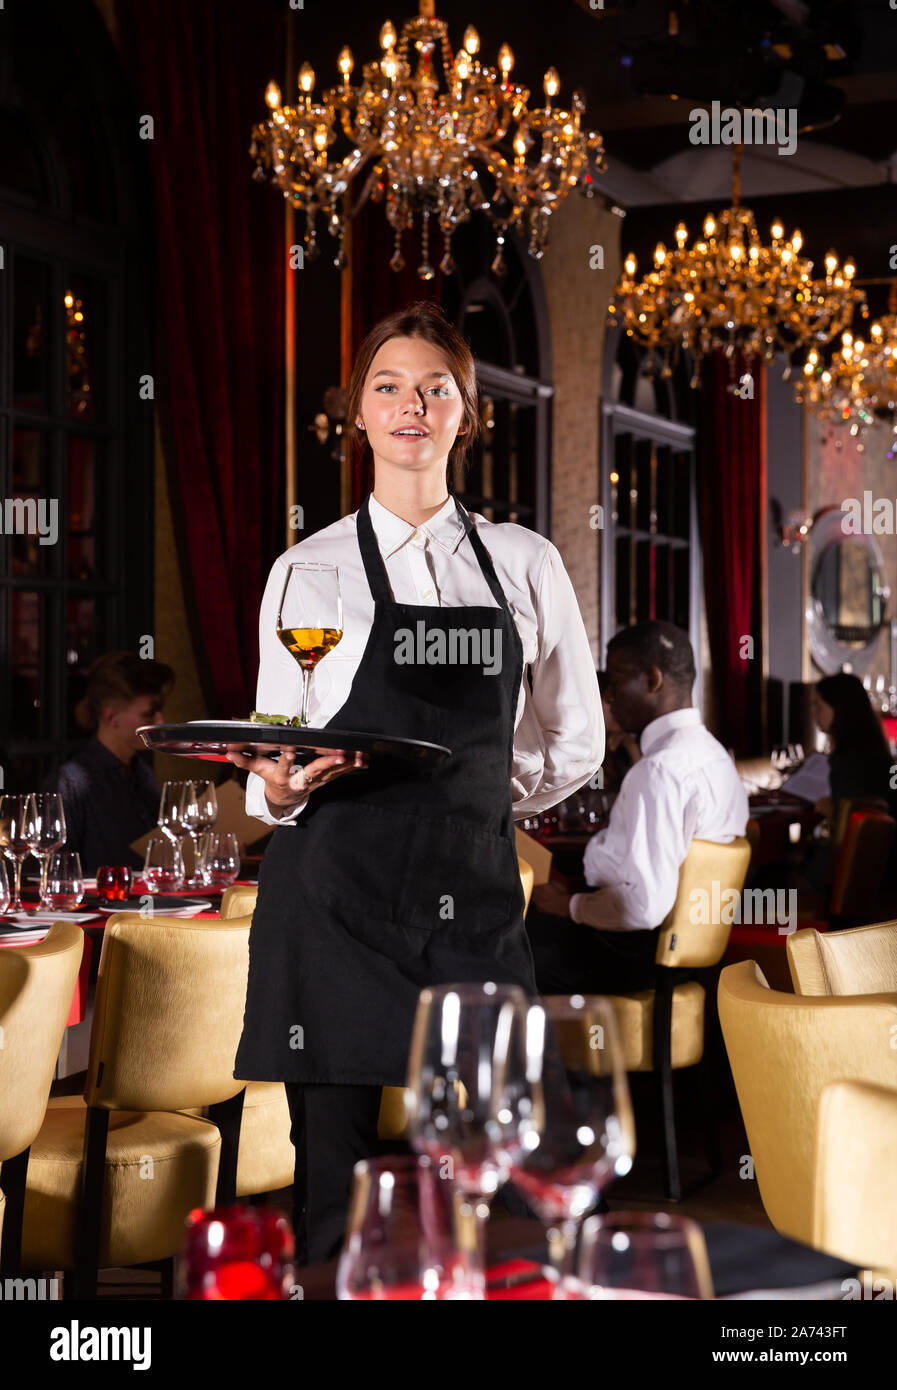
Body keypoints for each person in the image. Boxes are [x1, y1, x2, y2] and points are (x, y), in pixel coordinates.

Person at [227, 301, 604, 1264]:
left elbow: (576, 740)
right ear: (355, 412)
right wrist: (281, 786)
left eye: (437, 388)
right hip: (329, 899)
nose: (412, 404)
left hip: (470, 900)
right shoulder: (304, 573)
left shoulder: (523, 560)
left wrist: (472, 794)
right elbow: (274, 757)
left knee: (485, 1169)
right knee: (332, 1193)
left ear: (465, 414)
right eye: (388, 386)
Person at [527, 620, 748, 994]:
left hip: (634, 959)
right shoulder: (713, 756)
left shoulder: (660, 770)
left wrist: (570, 907)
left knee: (500, 941)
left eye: (615, 680)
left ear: (651, 680)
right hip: (680, 959)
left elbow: (643, 907)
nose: (608, 696)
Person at [42, 651, 174, 875]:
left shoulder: (143, 774)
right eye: (148, 714)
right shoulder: (71, 783)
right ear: (111, 717)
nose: (161, 721)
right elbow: (54, 873)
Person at [801, 673, 897, 894]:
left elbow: (848, 816)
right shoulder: (875, 751)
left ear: (839, 708)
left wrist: (829, 808)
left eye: (818, 706)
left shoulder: (847, 759)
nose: (814, 713)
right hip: (882, 869)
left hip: (852, 875)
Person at [596, 668, 640, 793]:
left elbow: (644, 790)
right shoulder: (582, 748)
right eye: (609, 700)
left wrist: (632, 748)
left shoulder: (624, 744)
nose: (616, 707)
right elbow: (595, 790)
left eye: (620, 700)